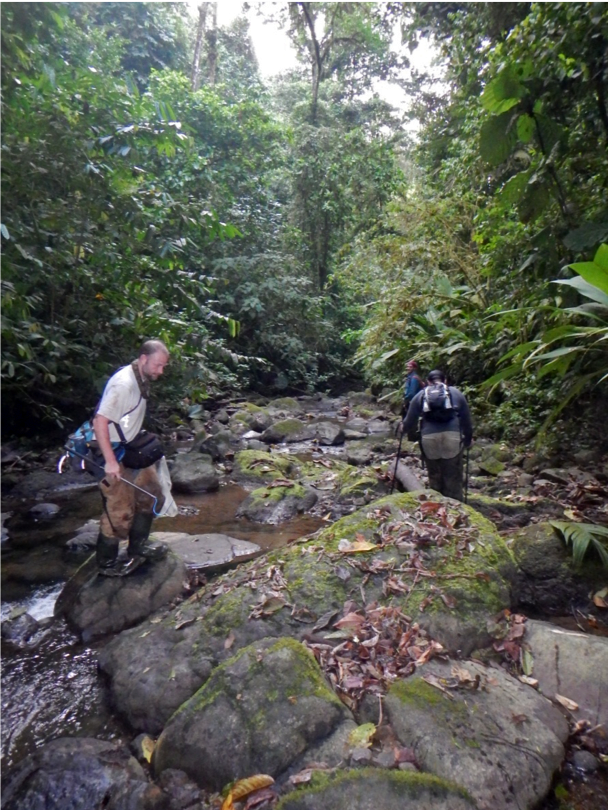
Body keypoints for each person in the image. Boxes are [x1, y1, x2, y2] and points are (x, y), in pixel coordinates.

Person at [92, 339, 174, 574]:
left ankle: (138, 547)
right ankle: (106, 564)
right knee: (120, 512)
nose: (160, 371)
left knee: (151, 494)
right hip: (113, 451)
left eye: (164, 367)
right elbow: (100, 421)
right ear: (143, 359)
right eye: (158, 365)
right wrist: (109, 462)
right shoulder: (124, 384)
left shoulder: (141, 379)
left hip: (131, 447)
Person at [401, 369, 473, 502]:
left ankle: (436, 507)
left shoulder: (421, 395)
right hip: (452, 436)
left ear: (428, 382)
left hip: (429, 438)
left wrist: (402, 430)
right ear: (445, 380)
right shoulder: (455, 393)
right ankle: (456, 507)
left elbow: (408, 422)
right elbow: (467, 421)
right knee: (452, 475)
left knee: (434, 475)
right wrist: (468, 440)